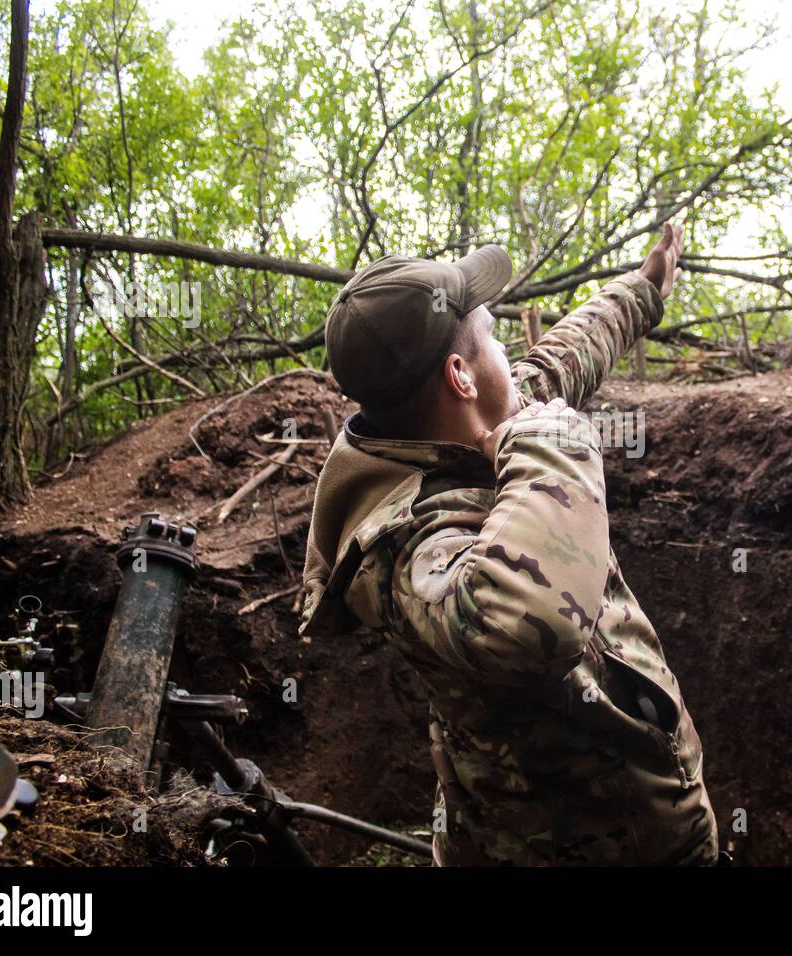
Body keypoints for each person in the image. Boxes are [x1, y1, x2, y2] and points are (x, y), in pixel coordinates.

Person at [299, 223, 719, 865]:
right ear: (461, 376)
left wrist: (642, 290)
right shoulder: (405, 541)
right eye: (493, 336)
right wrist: (554, 439)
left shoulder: (459, 429)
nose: (511, 361)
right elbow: (520, 625)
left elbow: (559, 359)